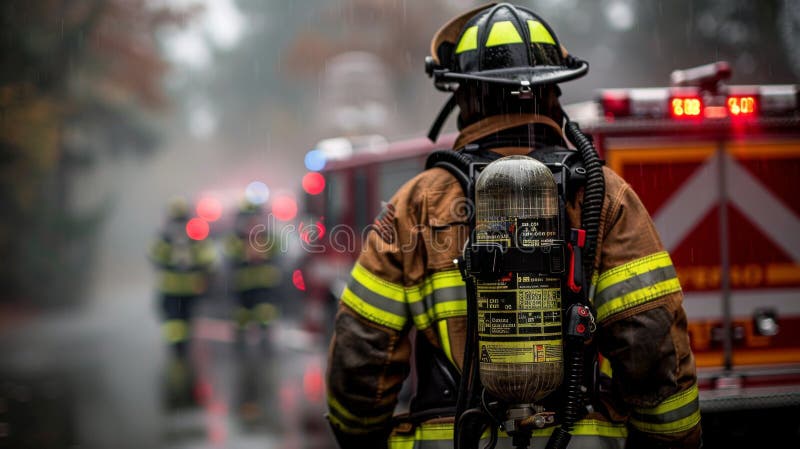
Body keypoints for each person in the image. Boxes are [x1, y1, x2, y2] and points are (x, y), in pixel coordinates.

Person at [325, 3, 701, 449]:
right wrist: (674, 439)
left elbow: (362, 350)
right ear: (552, 92)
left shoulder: (415, 205)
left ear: (463, 97)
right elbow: (651, 344)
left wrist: (358, 435)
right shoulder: (607, 196)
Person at [223, 198, 281, 345]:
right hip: (242, 285)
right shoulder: (235, 239)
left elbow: (277, 251)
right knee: (242, 314)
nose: (251, 223)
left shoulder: (267, 238)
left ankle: (265, 337)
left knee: (265, 312)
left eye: (254, 218)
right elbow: (230, 253)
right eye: (247, 219)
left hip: (264, 284)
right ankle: (241, 338)